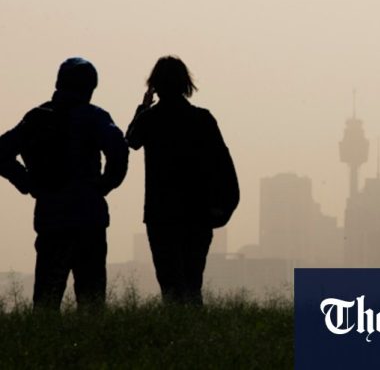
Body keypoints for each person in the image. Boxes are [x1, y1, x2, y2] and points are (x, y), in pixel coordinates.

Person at [0, 57, 129, 310]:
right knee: (91, 303)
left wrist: (27, 183)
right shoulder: (94, 117)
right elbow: (118, 149)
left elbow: (2, 151)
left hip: (51, 219)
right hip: (89, 219)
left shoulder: (36, 118)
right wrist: (105, 185)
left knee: (46, 302)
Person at [126, 56, 239, 305]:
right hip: (198, 213)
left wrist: (143, 107)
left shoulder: (150, 119)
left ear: (155, 85)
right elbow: (223, 164)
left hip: (161, 213)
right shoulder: (202, 119)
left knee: (170, 284)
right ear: (185, 84)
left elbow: (131, 140)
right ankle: (195, 326)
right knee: (192, 281)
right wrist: (224, 206)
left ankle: (175, 326)